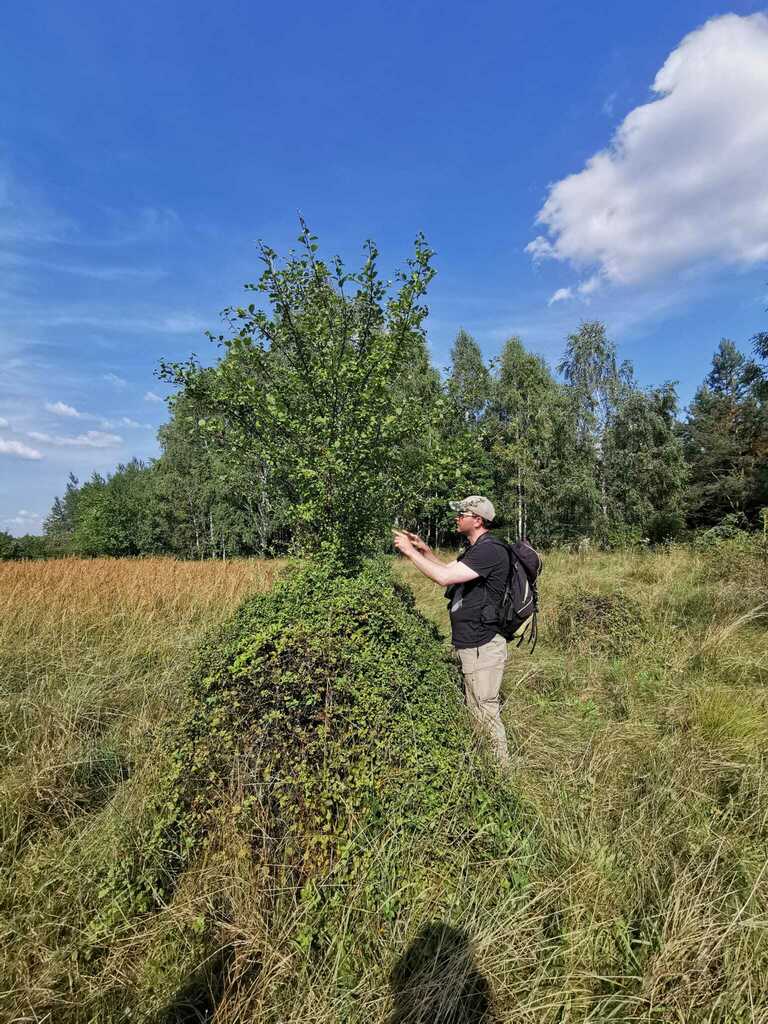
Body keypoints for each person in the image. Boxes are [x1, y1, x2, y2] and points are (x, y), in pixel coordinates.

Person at [393, 496, 511, 766]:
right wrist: (424, 551)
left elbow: (443, 578)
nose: (457, 518)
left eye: (462, 514)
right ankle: (486, 768)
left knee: (485, 711)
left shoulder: (490, 550)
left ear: (478, 520)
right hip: (472, 644)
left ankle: (503, 776)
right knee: (476, 708)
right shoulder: (475, 549)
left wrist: (409, 553)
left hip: (483, 645)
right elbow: (449, 570)